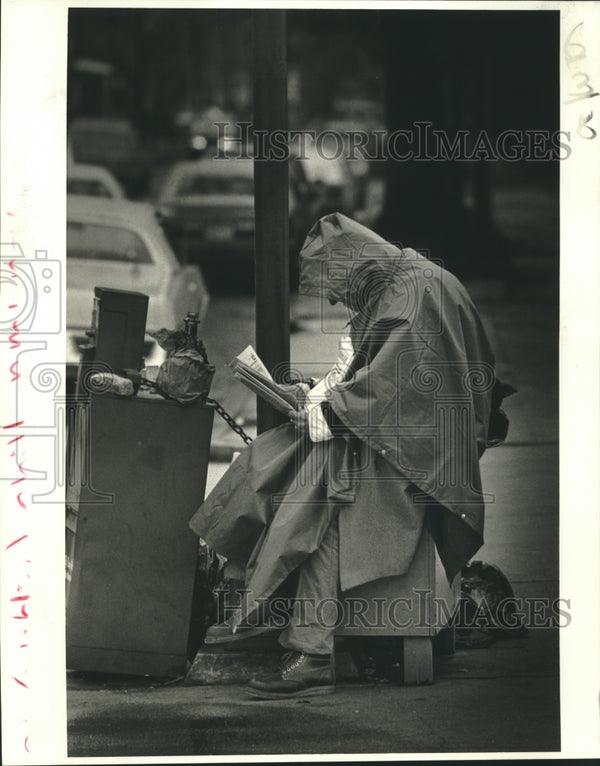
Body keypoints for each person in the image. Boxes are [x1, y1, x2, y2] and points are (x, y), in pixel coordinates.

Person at [189, 212, 510, 699]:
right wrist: (319, 398)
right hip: (417, 442)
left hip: (421, 459)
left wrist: (327, 412)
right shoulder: (406, 280)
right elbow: (376, 374)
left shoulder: (409, 297)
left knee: (321, 504)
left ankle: (310, 650)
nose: (337, 301)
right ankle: (263, 604)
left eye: (337, 290)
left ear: (355, 270)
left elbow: (394, 389)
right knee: (279, 461)